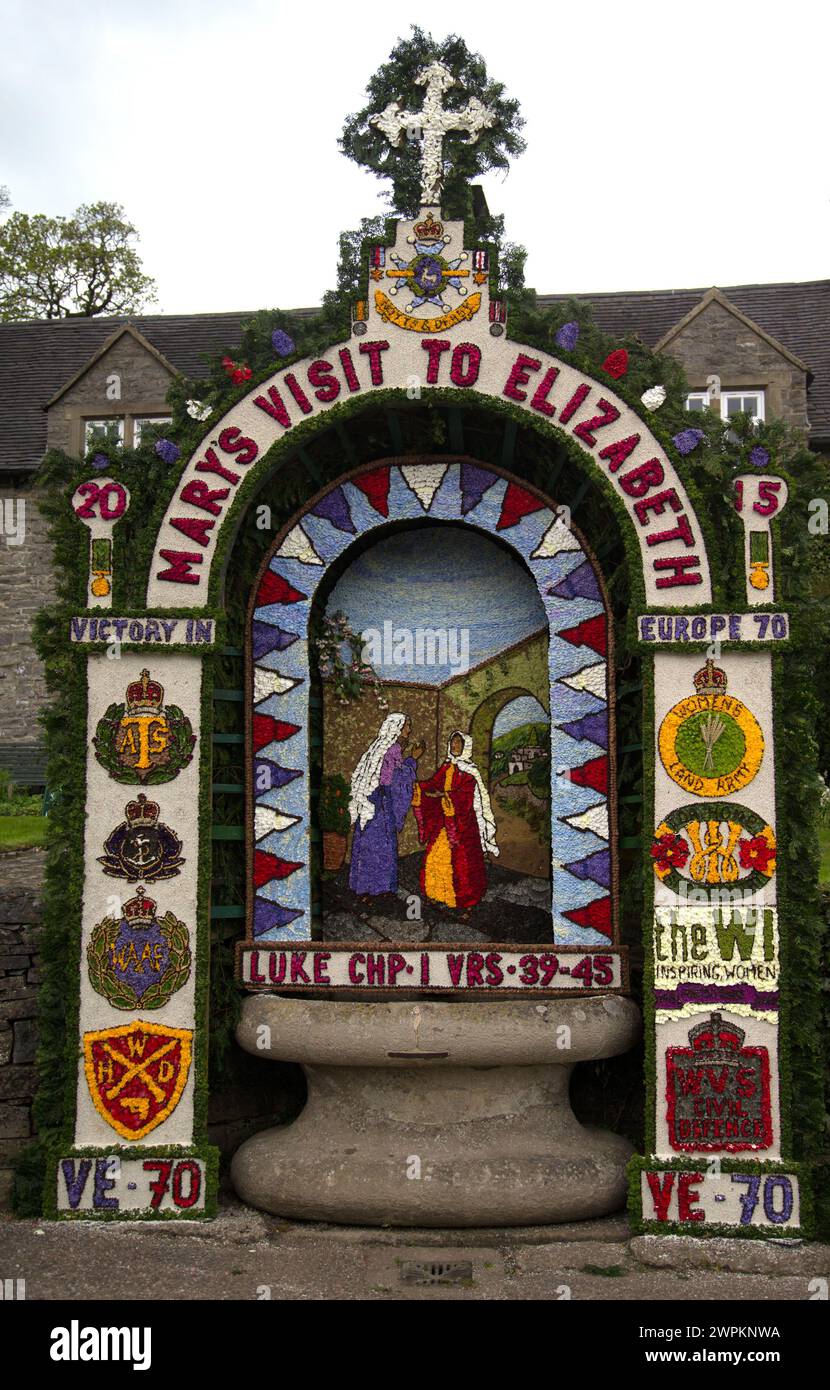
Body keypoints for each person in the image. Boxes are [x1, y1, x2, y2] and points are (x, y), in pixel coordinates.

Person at [413, 731, 499, 916]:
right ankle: (441, 894)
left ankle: (466, 901)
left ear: (465, 746)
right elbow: (434, 783)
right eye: (453, 742)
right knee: (437, 856)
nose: (455, 746)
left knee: (463, 864)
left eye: (459, 743)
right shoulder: (447, 767)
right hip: (447, 821)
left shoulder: (470, 771)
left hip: (463, 825)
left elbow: (465, 796)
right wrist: (419, 787)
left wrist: (446, 796)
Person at [348, 713, 424, 902]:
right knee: (379, 848)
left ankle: (365, 888)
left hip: (371, 805)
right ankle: (375, 890)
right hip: (380, 807)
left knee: (369, 847)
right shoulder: (392, 750)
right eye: (407, 726)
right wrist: (413, 760)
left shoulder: (380, 748)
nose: (409, 730)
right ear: (397, 729)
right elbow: (395, 781)